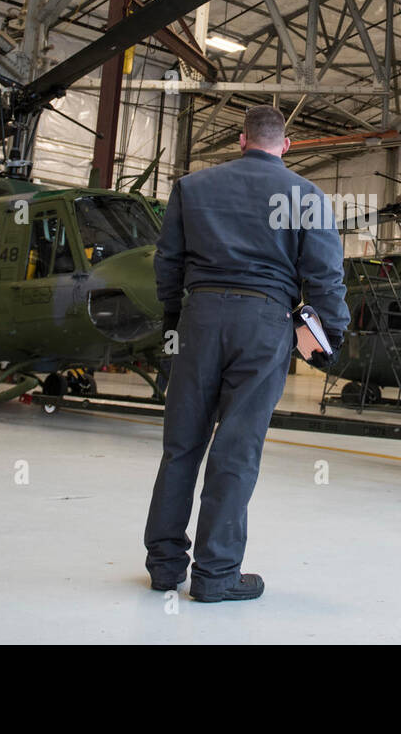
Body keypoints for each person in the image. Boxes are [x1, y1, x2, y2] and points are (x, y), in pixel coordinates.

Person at [145, 105, 349, 603]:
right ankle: (215, 576)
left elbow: (167, 262)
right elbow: (324, 276)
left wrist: (176, 320)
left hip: (201, 316)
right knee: (236, 448)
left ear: (240, 140)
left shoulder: (192, 187)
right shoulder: (306, 195)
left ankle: (165, 568)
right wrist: (332, 335)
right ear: (286, 145)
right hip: (264, 323)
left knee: (181, 445)